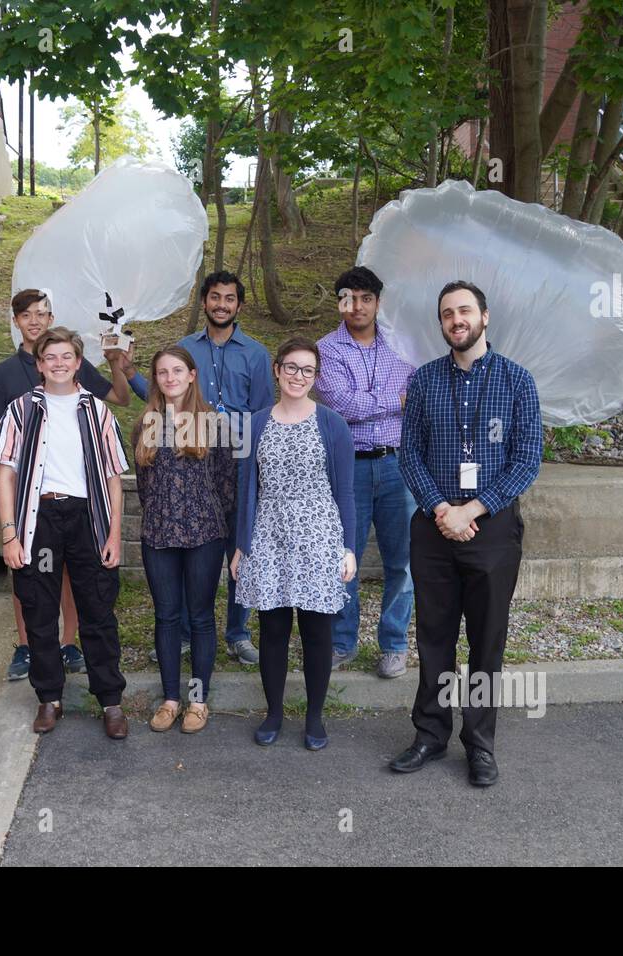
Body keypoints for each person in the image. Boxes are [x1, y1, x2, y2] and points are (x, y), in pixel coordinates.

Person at [392, 281, 542, 787]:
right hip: (434, 529)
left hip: (492, 529)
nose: (456, 320)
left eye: (464, 310)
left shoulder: (518, 382)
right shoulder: (426, 381)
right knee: (434, 637)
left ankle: (479, 744)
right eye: (447, 314)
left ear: (484, 316)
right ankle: (430, 735)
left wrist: (472, 509)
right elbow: (408, 452)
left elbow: (526, 460)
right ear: (441, 324)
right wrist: (440, 508)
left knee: (485, 641)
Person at [0, 289, 146, 683]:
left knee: (83, 589)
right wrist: (11, 530)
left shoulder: (91, 402)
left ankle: (81, 659)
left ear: (75, 363)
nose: (35, 320)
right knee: (36, 589)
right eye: (27, 314)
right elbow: (4, 459)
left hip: (83, 511)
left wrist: (118, 365)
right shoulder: (10, 384)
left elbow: (113, 459)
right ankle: (33, 659)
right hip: (35, 509)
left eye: (43, 313)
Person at [231, 337, 356, 751]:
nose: (298, 376)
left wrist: (349, 547)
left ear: (315, 376)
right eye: (291, 367)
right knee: (273, 629)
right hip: (268, 535)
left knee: (318, 631)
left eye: (307, 370)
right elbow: (246, 487)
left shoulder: (332, 424)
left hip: (319, 537)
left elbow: (346, 492)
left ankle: (315, 716)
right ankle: (274, 712)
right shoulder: (255, 424)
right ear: (277, 369)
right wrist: (241, 545)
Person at [314, 266, 417, 678]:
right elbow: (343, 405)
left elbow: (419, 396)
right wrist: (397, 399)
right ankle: (343, 642)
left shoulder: (403, 346)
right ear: (339, 302)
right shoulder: (325, 350)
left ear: (377, 302)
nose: (356, 306)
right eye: (348, 298)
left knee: (403, 563)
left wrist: (381, 399)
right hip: (348, 469)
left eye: (365, 298)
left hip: (398, 466)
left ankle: (394, 644)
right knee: (343, 558)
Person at [132, 347, 237, 734]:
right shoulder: (145, 424)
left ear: (192, 375)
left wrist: (207, 516)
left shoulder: (214, 424)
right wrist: (163, 513)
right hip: (158, 535)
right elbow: (145, 486)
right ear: (156, 379)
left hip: (204, 534)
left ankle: (197, 699)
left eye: (178, 370)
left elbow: (228, 483)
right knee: (167, 616)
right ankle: (171, 698)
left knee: (200, 616)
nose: (170, 378)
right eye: (162, 372)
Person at [178, 271, 275, 666]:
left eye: (229, 298)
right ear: (204, 301)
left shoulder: (255, 353)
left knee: (241, 552)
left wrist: (257, 470)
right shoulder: (184, 350)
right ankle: (186, 633)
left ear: (239, 305)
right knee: (194, 552)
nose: (221, 304)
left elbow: (263, 416)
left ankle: (237, 633)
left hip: (239, 466)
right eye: (215, 297)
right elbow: (165, 399)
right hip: (194, 466)